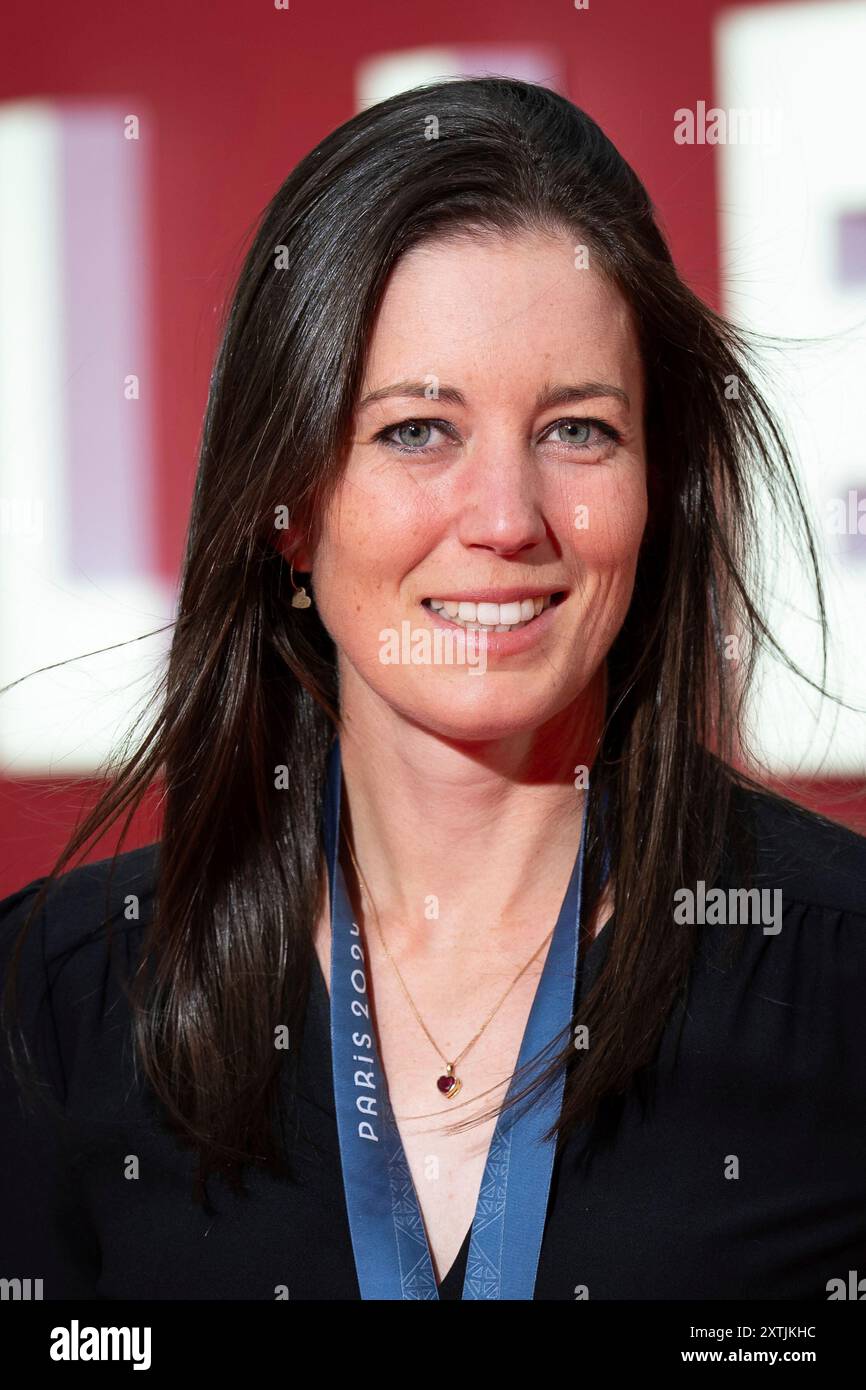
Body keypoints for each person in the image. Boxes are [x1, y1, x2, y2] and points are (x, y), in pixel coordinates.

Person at [1, 76, 865, 1302]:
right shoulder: (55, 1008)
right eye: (417, 430)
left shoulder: (834, 982)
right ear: (285, 501)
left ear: (655, 489)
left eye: (577, 430)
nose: (506, 520)